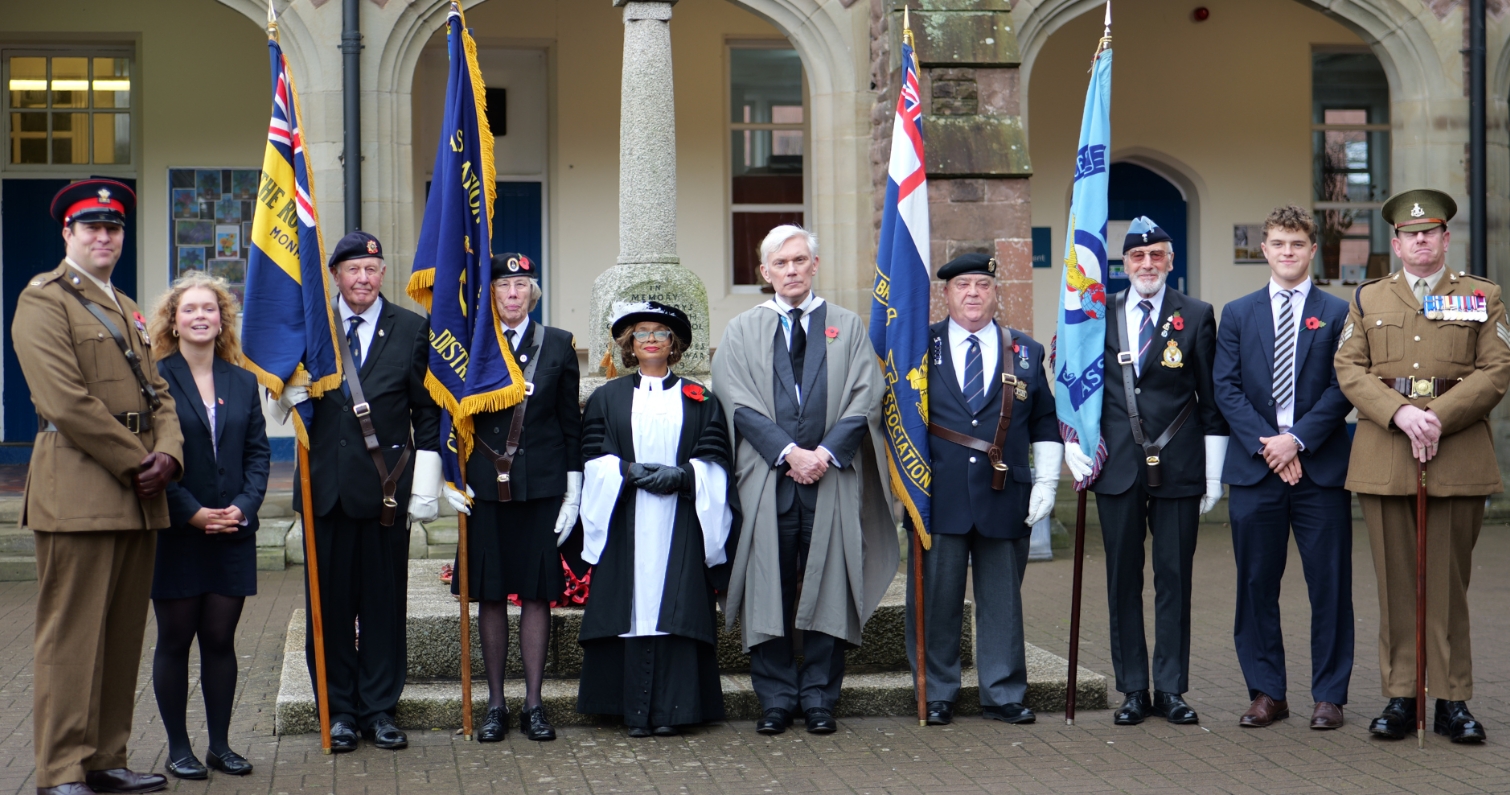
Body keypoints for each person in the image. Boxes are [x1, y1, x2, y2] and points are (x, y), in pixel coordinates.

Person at [14, 179, 183, 795]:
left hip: (138, 493)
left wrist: (170, 454)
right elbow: (64, 399)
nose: (105, 236)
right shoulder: (44, 299)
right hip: (81, 488)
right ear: (68, 233)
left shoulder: (128, 305)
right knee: (70, 637)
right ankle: (60, 770)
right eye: (92, 227)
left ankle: (105, 758)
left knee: (119, 635)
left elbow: (159, 393)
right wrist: (139, 460)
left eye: (113, 228)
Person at [1335, 189, 1510, 743]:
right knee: (1395, 582)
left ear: (1444, 238)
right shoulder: (1366, 299)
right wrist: (1401, 414)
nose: (1420, 241)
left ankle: (1452, 701)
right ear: (1396, 242)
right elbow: (1350, 367)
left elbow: (1497, 368)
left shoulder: (1482, 296)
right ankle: (1400, 695)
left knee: (1447, 582)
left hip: (1456, 453)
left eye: (1429, 233)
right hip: (1387, 453)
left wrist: (1436, 416)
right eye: (1410, 235)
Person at [714, 225, 898, 736]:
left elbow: (866, 394)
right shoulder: (743, 329)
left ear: (815, 265)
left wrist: (824, 454)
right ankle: (774, 698)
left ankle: (819, 697)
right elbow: (735, 400)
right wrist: (788, 452)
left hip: (831, 477)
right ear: (764, 272)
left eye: (799, 260)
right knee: (766, 583)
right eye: (781, 263)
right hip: (767, 480)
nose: (791, 270)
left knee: (830, 583)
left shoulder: (846, 325)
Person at [277, 231, 443, 752]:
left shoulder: (413, 329)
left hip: (385, 496)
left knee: (383, 606)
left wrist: (428, 485)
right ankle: (339, 710)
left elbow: (428, 413)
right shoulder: (312, 329)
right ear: (336, 276)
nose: (363, 279)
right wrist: (283, 392)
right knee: (329, 607)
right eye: (352, 270)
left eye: (372, 270)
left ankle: (379, 709)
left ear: (382, 275)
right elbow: (282, 401)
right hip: (325, 492)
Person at [1064, 216, 1229, 726]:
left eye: (1156, 255)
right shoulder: (1098, 312)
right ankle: (1134, 688)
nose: (1147, 264)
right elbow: (1078, 384)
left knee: (1174, 579)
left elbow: (1211, 401)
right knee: (1122, 580)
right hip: (1116, 467)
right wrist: (1075, 446)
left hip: (1179, 466)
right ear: (1124, 263)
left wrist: (1213, 474)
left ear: (1170, 260)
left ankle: (1172, 688)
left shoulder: (1197, 314)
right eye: (1138, 256)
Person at [1212, 206, 1354, 730]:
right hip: (1256, 470)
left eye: (1297, 244)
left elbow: (1345, 387)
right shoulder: (1238, 312)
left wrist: (1296, 441)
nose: (1288, 252)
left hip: (1321, 472)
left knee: (1331, 586)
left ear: (1312, 249)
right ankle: (1267, 692)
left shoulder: (1340, 312)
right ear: (1264, 250)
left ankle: (1330, 696)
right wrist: (1270, 446)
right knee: (1255, 584)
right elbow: (1225, 387)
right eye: (1278, 243)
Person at [905, 253, 1062, 726]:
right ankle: (936, 693)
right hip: (938, 493)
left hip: (1003, 492)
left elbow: (1044, 420)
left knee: (1002, 602)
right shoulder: (918, 345)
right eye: (962, 285)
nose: (973, 293)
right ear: (946, 294)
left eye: (982, 285)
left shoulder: (1026, 351)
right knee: (936, 600)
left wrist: (1048, 481)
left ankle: (1003, 692)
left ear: (997, 293)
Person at [574, 301, 739, 737]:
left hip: (681, 519)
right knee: (631, 607)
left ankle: (676, 710)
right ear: (629, 344)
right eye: (641, 333)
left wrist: (685, 476)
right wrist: (624, 472)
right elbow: (592, 455)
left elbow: (716, 459)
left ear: (674, 344)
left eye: (660, 333)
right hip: (625, 517)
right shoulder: (607, 398)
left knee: (675, 605)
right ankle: (630, 711)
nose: (650, 339)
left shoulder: (700, 398)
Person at [441, 253, 582, 742]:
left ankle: (535, 705)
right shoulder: (470, 347)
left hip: (541, 489)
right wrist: (448, 476)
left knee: (539, 595)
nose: (514, 293)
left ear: (533, 292)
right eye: (504, 285)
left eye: (522, 284)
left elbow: (571, 425)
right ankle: (497, 704)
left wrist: (573, 490)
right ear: (491, 293)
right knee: (493, 594)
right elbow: (448, 413)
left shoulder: (559, 344)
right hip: (484, 488)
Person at [145, 273, 269, 778]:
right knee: (175, 639)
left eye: (210, 309)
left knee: (220, 640)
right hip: (176, 531)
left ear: (222, 321)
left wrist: (243, 505)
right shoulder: (155, 378)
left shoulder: (241, 379)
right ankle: (179, 748)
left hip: (233, 531)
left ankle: (220, 745)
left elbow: (259, 454)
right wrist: (192, 512)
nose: (201, 316)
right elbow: (148, 457)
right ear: (174, 322)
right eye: (190, 309)